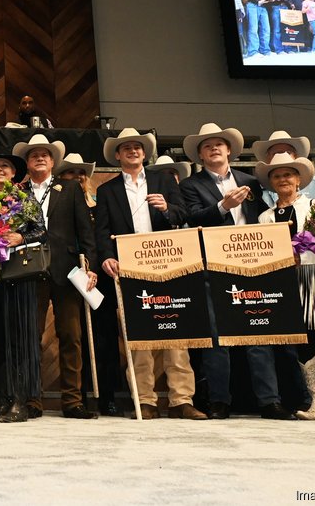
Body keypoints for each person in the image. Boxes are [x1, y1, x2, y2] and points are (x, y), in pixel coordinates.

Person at [178, 123, 293, 420]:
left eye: (219, 144)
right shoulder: (190, 185)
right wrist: (222, 206)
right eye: (207, 146)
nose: (214, 148)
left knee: (258, 333)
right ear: (200, 155)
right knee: (216, 338)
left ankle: (269, 400)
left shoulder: (251, 181)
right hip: (213, 267)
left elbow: (267, 217)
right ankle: (219, 401)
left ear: (229, 150)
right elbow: (191, 219)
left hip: (253, 264)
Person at [95, 130, 206, 421]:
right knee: (138, 337)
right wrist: (107, 255)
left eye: (137, 147)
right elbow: (102, 231)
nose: (133, 151)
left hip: (168, 263)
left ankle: (182, 399)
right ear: (117, 156)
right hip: (129, 267)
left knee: (177, 334)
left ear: (145, 154)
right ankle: (144, 399)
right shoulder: (107, 190)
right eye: (126, 148)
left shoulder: (164, 181)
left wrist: (167, 208)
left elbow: (183, 215)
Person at [256, 153, 315, 423]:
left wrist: (303, 258)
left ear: (299, 179)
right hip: (288, 285)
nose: (283, 179)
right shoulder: (265, 217)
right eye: (277, 176)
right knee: (304, 341)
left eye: (288, 174)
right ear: (271, 183)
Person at [12, 135, 100, 420]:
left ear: (53, 161)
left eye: (45, 155)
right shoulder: (17, 192)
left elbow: (85, 230)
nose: (40, 158)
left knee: (71, 336)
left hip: (68, 270)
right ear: (27, 162)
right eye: (34, 154)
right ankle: (32, 399)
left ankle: (73, 401)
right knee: (30, 337)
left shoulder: (71, 188)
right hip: (28, 269)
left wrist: (92, 265)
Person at [0, 151, 45, 422]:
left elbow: (41, 230)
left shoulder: (25, 198)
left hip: (17, 276)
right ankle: (1, 397)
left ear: (14, 172)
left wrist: (20, 237)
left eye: (5, 166)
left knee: (17, 340)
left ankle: (20, 400)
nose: (0, 169)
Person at [250, 131, 315, 207]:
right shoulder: (256, 189)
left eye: (288, 152)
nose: (282, 156)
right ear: (268, 158)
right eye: (276, 153)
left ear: (296, 155)